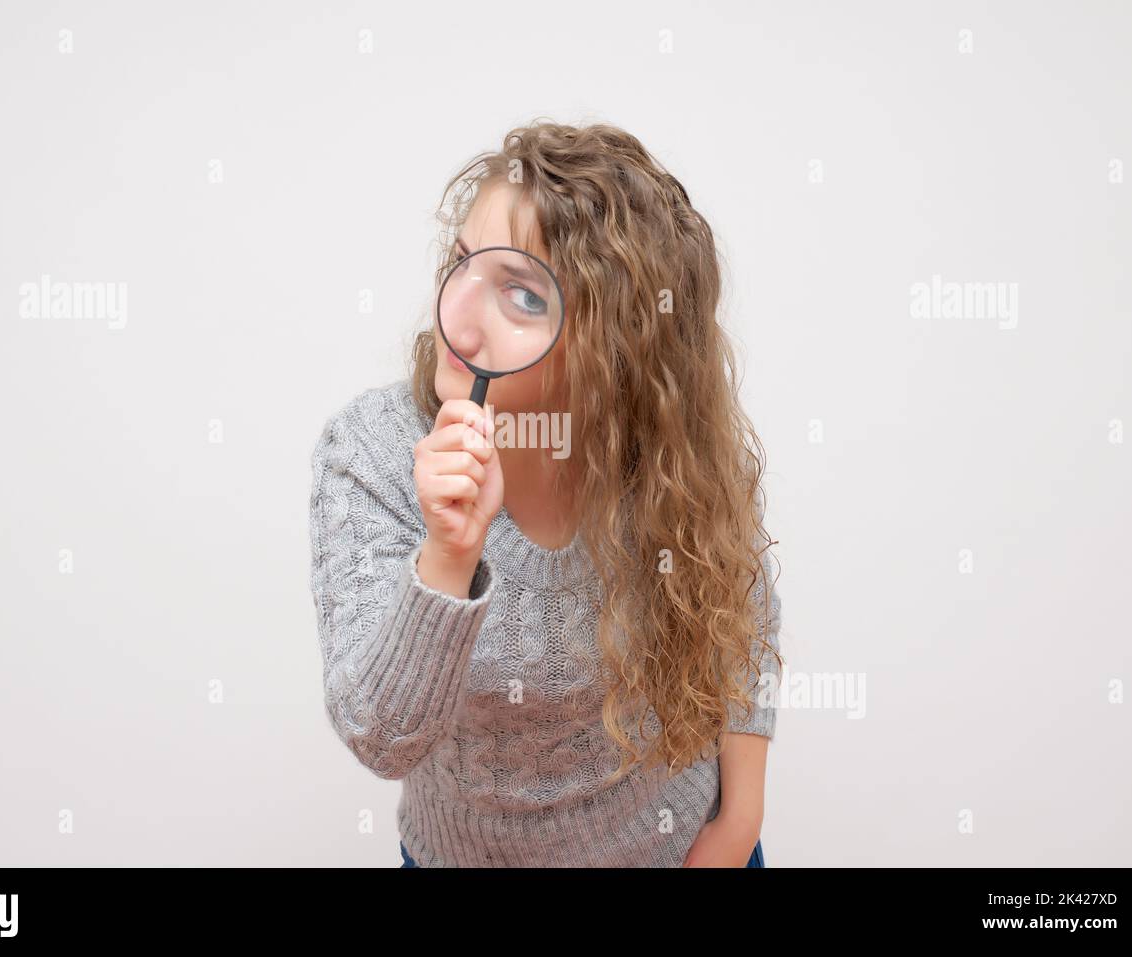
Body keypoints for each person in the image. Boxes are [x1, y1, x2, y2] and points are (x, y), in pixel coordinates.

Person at [309, 120, 783, 867]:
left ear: (614, 345)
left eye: (522, 296)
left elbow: (736, 605)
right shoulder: (370, 450)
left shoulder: (662, 450)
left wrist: (739, 821)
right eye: (463, 264)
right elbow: (379, 734)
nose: (458, 316)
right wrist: (449, 552)